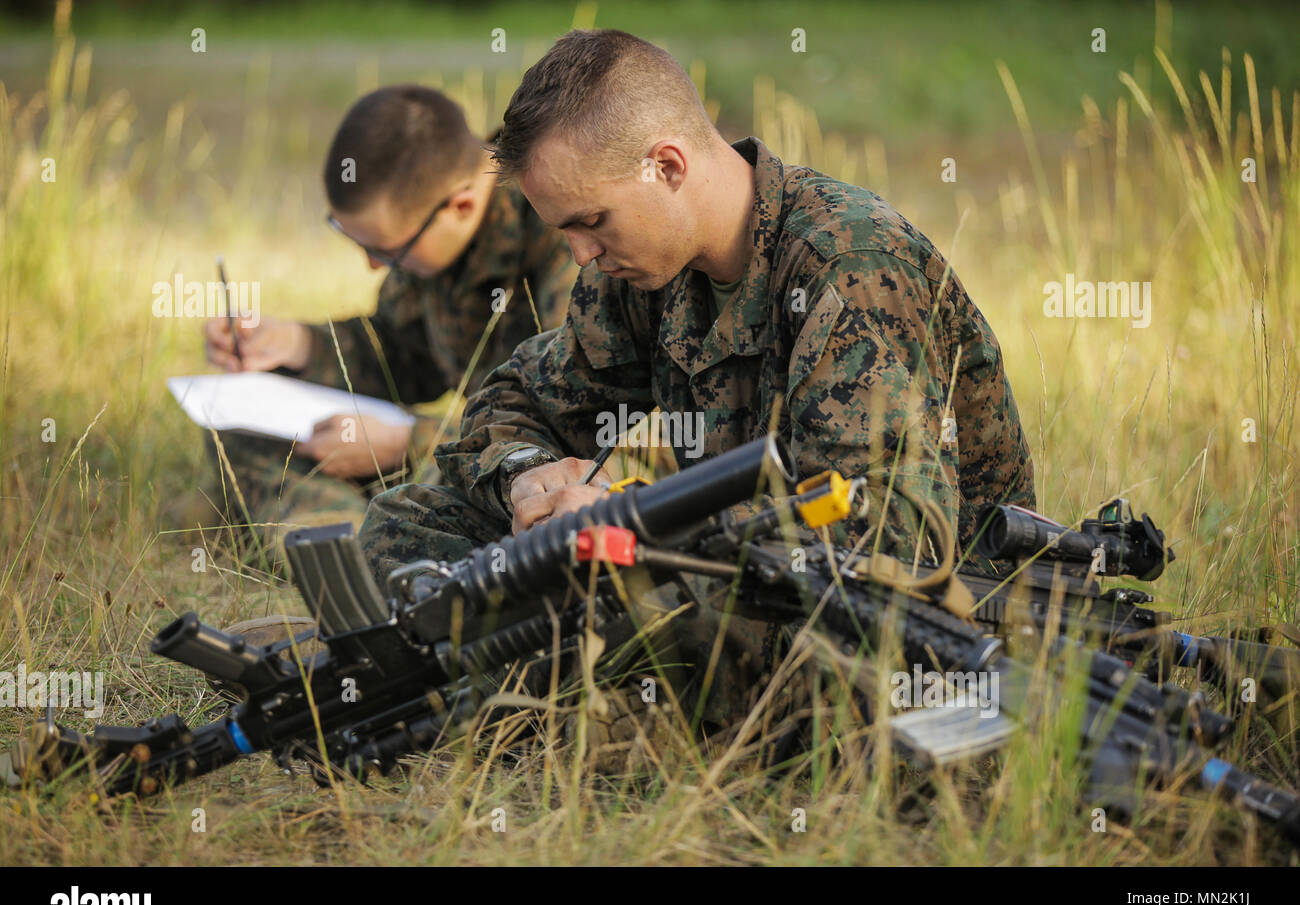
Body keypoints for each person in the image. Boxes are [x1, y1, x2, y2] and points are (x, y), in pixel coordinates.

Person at [356, 30, 1036, 745]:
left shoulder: (851, 265)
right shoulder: (646, 269)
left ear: (668, 166)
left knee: (644, 623)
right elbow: (510, 403)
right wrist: (530, 482)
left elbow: (884, 544)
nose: (579, 254)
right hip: (724, 581)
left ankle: (486, 695)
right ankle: (501, 686)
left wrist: (637, 529)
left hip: (906, 628)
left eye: (590, 222)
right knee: (408, 521)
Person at [199, 85, 578, 558]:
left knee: (477, 484)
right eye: (353, 240)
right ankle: (351, 552)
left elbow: (568, 418)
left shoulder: (563, 226)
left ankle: (372, 555)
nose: (374, 267)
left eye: (384, 250)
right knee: (248, 421)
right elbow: (398, 355)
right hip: (464, 448)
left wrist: (410, 443)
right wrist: (296, 345)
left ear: (459, 207)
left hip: (529, 465)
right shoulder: (428, 227)